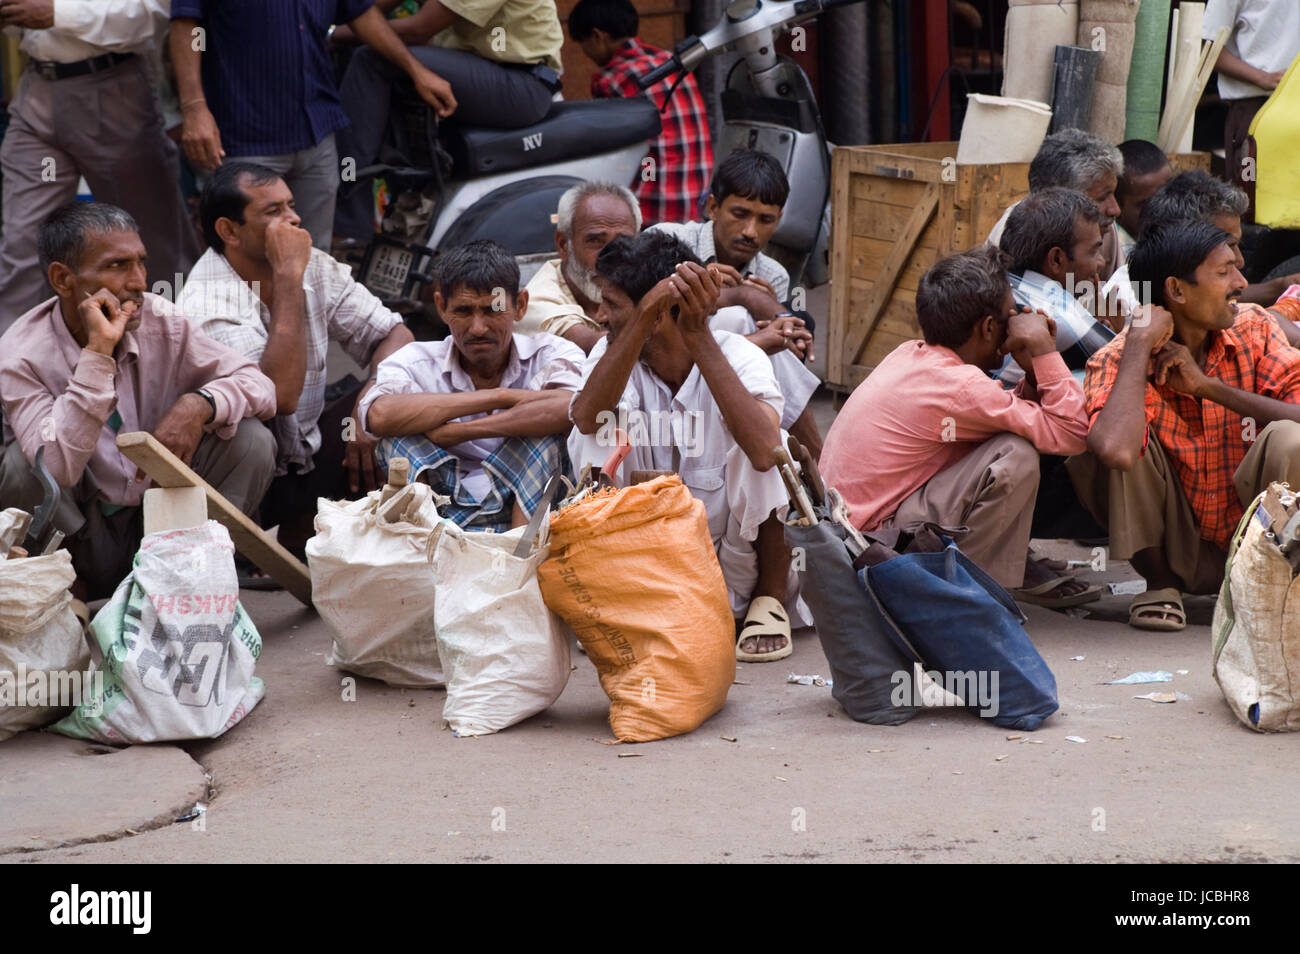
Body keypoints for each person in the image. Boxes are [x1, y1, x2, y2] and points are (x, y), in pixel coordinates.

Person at [0, 203, 276, 599]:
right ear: (63, 279)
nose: (138, 282)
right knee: (22, 466)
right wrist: (97, 356)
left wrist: (199, 404)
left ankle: (195, 572)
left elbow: (260, 386)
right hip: (81, 537)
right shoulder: (20, 354)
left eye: (141, 263)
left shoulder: (162, 322)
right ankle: (66, 592)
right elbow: (55, 469)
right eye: (117, 266)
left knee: (251, 439)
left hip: (164, 524)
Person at [570, 229, 806, 663]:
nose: (600, 317)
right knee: (593, 441)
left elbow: (762, 450)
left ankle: (769, 599)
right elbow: (587, 418)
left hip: (731, 565)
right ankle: (619, 599)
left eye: (613, 305)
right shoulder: (613, 354)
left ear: (662, 314)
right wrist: (639, 321)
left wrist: (696, 333)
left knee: (775, 447)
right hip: (643, 567)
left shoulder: (739, 355)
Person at [819, 245, 1097, 607]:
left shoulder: (910, 354)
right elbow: (1073, 434)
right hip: (869, 543)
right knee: (1016, 456)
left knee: (1010, 440)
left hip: (845, 531)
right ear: (987, 328)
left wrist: (1032, 371)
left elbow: (1008, 413)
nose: (1018, 322)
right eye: (1011, 315)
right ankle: (964, 596)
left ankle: (970, 585)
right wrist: (1045, 351)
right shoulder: (962, 387)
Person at [1069, 218, 1300, 631]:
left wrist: (1208, 387)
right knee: (1110, 435)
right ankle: (1160, 584)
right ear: (1175, 290)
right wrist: (1139, 345)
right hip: (1178, 546)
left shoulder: (1255, 327)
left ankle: (1268, 580)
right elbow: (1116, 451)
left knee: (1290, 438)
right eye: (1224, 271)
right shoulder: (1117, 357)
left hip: (1252, 535)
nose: (1242, 283)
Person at [178, 162, 414, 559]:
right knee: (254, 436)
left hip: (305, 453)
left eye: (290, 205)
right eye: (273, 212)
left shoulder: (313, 264)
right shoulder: (208, 301)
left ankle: (309, 531)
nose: (294, 219)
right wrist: (287, 277)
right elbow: (279, 396)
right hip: (246, 474)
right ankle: (235, 551)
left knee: (399, 391)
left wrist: (370, 401)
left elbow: (395, 335)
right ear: (228, 231)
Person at [169, 0, 458, 250]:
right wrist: (194, 108)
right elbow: (187, 24)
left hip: (316, 131)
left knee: (313, 258)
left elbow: (362, 15)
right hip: (244, 134)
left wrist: (416, 70)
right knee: (244, 262)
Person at [0, 0, 199, 333]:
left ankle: (175, 349)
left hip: (112, 86)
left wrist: (57, 14)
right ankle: (18, 367)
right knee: (23, 245)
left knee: (153, 244)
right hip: (37, 84)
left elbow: (155, 14)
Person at [361, 240, 584, 531]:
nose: (478, 328)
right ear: (441, 307)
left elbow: (571, 408)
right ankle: (420, 546)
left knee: (546, 439)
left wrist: (461, 430)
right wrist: (498, 398)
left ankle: (519, 559)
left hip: (523, 505)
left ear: (520, 306)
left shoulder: (552, 353)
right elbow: (380, 416)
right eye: (464, 311)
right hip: (442, 503)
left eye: (492, 310)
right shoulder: (416, 361)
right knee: (398, 442)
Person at [332, 0, 565, 241]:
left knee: (371, 59)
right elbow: (367, 10)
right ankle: (395, 201)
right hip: (481, 73)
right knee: (375, 54)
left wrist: (335, 33)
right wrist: (351, 19)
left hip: (519, 84)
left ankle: (349, 225)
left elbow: (418, 29)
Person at [650, 149, 823, 458]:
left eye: (765, 220)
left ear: (779, 220)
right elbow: (651, 315)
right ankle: (819, 463)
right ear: (713, 207)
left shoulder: (773, 274)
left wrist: (770, 312)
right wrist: (741, 296)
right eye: (740, 214)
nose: (750, 232)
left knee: (767, 333)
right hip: (666, 372)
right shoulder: (668, 239)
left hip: (725, 385)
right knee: (739, 315)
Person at [568, 0, 714, 225]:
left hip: (654, 208)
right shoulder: (671, 63)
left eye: (583, 44)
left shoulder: (612, 79)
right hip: (698, 202)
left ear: (598, 36)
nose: (586, 53)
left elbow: (608, 153)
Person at [986, 128, 1131, 327]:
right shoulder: (1011, 235)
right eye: (1101, 198)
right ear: (1058, 202)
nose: (1115, 210)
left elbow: (1114, 304)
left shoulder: (1102, 228)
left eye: (1113, 194)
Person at [1140, 169, 1300, 339]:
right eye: (1229, 247)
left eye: (1239, 245)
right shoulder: (1133, 302)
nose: (1240, 261)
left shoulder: (1250, 324)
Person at [996, 187, 1112, 387]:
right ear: (1057, 259)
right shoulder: (1057, 313)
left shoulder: (999, 281)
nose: (1101, 262)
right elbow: (1129, 366)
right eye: (1093, 252)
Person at [518, 181, 641, 352]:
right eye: (596, 241)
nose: (612, 256)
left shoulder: (641, 280)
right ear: (563, 245)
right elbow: (596, 346)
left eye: (624, 242)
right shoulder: (537, 302)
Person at [1204, 0, 1300, 194]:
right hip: (1256, 111)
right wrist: (1262, 78)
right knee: (1249, 198)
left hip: (1292, 107)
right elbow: (1209, 48)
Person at [1115, 140, 1173, 258]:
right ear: (1117, 208)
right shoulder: (1120, 256)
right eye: (1146, 204)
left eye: (1166, 195)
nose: (1160, 209)